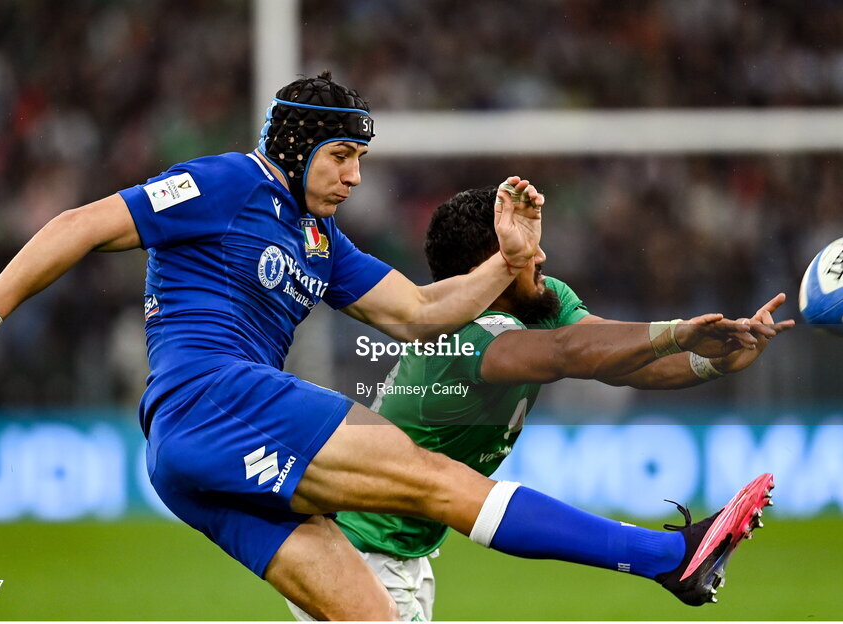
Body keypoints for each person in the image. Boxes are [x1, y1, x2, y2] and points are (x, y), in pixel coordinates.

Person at [0, 71, 777, 620]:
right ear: (297, 146)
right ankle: (669, 558)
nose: (356, 176)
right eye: (343, 156)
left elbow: (422, 314)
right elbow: (84, 223)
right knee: (439, 484)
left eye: (360, 158)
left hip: (192, 457)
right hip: (213, 396)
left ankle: (675, 564)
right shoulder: (229, 182)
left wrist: (508, 263)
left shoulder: (323, 246)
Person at [288, 185, 793, 621]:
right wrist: (678, 332)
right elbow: (566, 354)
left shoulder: (541, 300)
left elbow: (617, 362)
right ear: (486, 270)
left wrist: (713, 361)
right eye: (525, 249)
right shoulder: (456, 337)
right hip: (356, 550)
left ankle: (667, 559)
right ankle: (665, 558)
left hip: (405, 549)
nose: (541, 257)